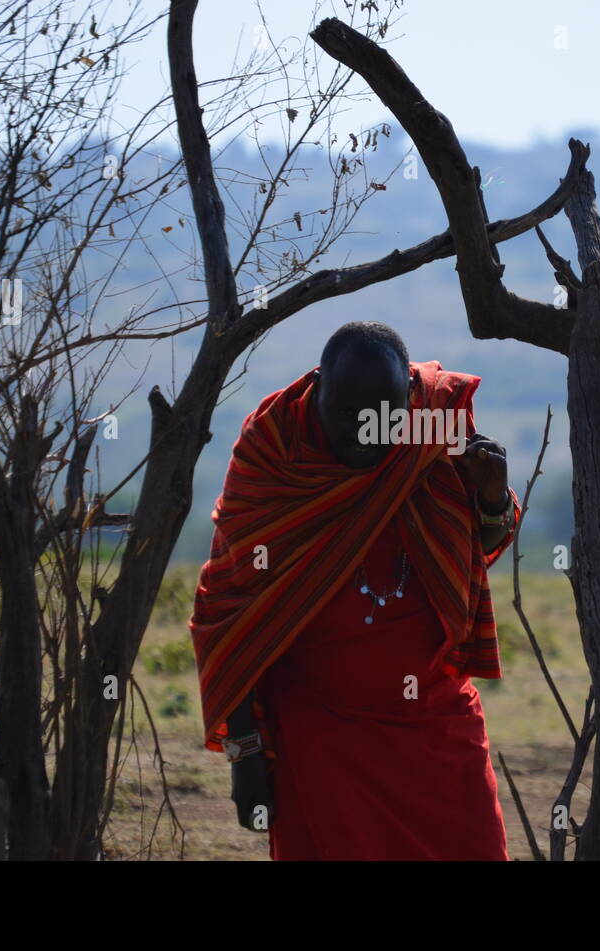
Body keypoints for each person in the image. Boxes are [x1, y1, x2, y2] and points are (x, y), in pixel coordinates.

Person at [189, 320, 521, 860]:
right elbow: (232, 612)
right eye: (346, 412)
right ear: (318, 388)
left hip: (435, 727)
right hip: (319, 739)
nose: (365, 431)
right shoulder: (276, 454)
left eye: (383, 417)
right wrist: (246, 753)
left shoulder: (434, 432)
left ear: (409, 403)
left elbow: (477, 545)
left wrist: (492, 499)